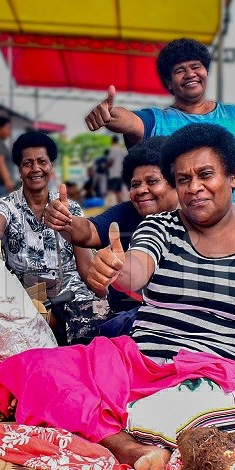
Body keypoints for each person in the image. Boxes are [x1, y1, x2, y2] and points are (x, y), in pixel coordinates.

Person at [0, 123, 235, 470]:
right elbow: (137, 267)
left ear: (234, 176)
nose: (194, 187)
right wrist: (117, 268)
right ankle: (135, 449)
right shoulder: (160, 225)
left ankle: (121, 434)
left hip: (218, 374)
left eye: (206, 175)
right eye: (183, 179)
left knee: (185, 416)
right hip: (139, 364)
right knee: (38, 368)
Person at [84, 38, 235, 209]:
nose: (190, 74)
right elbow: (129, 120)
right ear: (168, 83)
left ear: (206, 71)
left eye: (195, 66)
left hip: (232, 234)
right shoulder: (155, 120)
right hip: (173, 237)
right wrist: (108, 114)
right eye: (180, 71)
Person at [0, 131, 106, 343]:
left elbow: (86, 266)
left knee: (96, 328)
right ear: (19, 170)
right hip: (27, 294)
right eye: (28, 163)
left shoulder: (70, 208)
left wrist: (103, 291)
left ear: (51, 167)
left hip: (70, 291)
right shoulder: (6, 206)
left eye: (42, 162)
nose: (35, 169)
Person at [45, 137, 179, 336]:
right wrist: (67, 222)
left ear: (176, 182)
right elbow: (89, 231)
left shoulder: (193, 222)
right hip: (123, 316)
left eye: (152, 181)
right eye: (135, 184)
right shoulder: (125, 213)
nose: (141, 190)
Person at [106, 135, 128, 205]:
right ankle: (120, 204)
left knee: (112, 190)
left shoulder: (113, 149)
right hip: (121, 173)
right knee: (119, 190)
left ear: (112, 141)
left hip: (114, 173)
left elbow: (110, 161)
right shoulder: (122, 149)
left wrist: (106, 166)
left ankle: (110, 205)